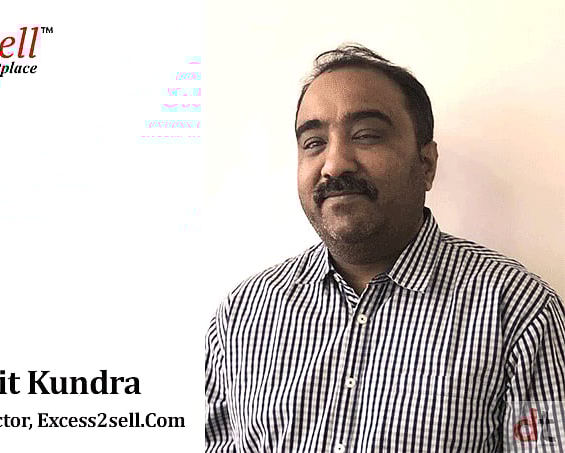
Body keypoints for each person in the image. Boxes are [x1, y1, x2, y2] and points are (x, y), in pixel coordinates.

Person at [204, 43, 565, 452]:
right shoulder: (242, 315)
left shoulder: (518, 311)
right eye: (314, 142)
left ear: (426, 165)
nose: (334, 164)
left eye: (366, 135)